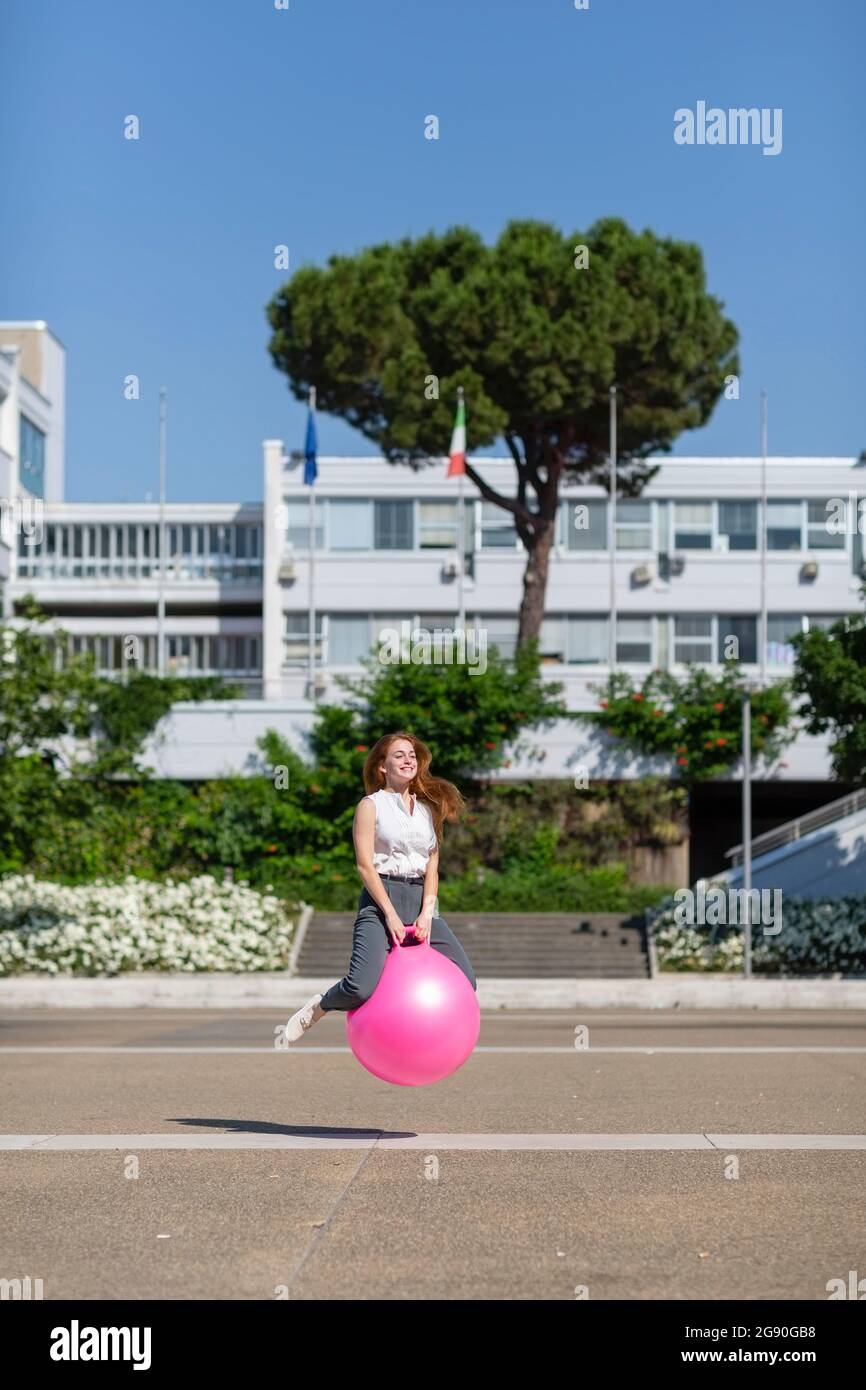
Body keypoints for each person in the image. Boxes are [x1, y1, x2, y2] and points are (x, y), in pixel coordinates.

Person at [285, 730, 476, 1041]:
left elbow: (433, 865)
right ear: (382, 766)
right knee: (360, 986)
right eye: (399, 755)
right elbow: (365, 865)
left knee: (466, 980)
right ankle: (320, 1006)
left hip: (420, 902)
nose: (408, 760)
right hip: (380, 901)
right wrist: (388, 913)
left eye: (412, 755)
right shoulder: (370, 806)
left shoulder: (428, 810)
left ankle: (417, 1038)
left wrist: (428, 912)